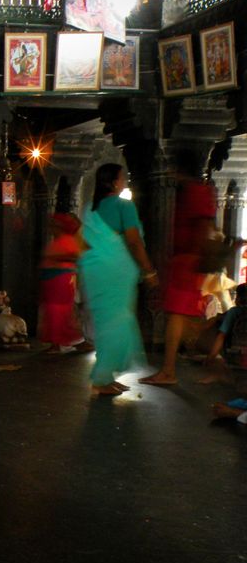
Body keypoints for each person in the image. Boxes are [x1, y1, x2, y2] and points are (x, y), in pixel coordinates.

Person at [140, 150, 218, 386]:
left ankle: (169, 370)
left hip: (188, 262)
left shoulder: (196, 192)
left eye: (174, 169)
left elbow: (203, 227)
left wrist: (194, 260)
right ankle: (217, 363)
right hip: (185, 262)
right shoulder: (193, 192)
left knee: (178, 317)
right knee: (185, 321)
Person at [78, 164, 157, 396]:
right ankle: (101, 380)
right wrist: (149, 271)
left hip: (96, 273)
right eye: (124, 177)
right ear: (114, 182)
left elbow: (83, 245)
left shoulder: (90, 210)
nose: (126, 181)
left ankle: (105, 377)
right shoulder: (124, 206)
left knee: (106, 323)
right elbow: (134, 241)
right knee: (116, 322)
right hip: (116, 272)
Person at [39, 213, 87, 353]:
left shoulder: (68, 240)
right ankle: (58, 343)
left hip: (62, 279)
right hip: (54, 279)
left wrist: (56, 257)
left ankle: (71, 343)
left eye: (54, 226)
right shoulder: (59, 241)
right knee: (53, 311)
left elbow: (76, 256)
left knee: (58, 311)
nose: (51, 229)